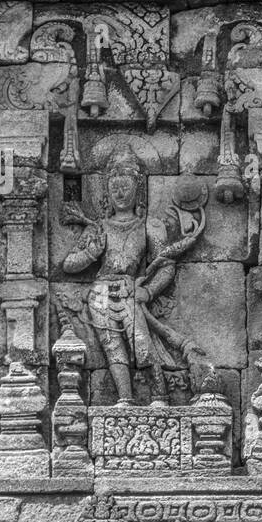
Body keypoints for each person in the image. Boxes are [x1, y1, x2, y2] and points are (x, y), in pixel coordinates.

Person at [62, 143, 197, 405]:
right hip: (100, 292)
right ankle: (124, 397)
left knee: (141, 343)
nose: (120, 193)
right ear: (106, 191)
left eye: (126, 186)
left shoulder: (150, 225)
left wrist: (148, 290)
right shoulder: (99, 228)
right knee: (112, 346)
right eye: (114, 187)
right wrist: (91, 253)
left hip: (131, 290)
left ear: (139, 189)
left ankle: (160, 396)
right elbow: (69, 264)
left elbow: (166, 265)